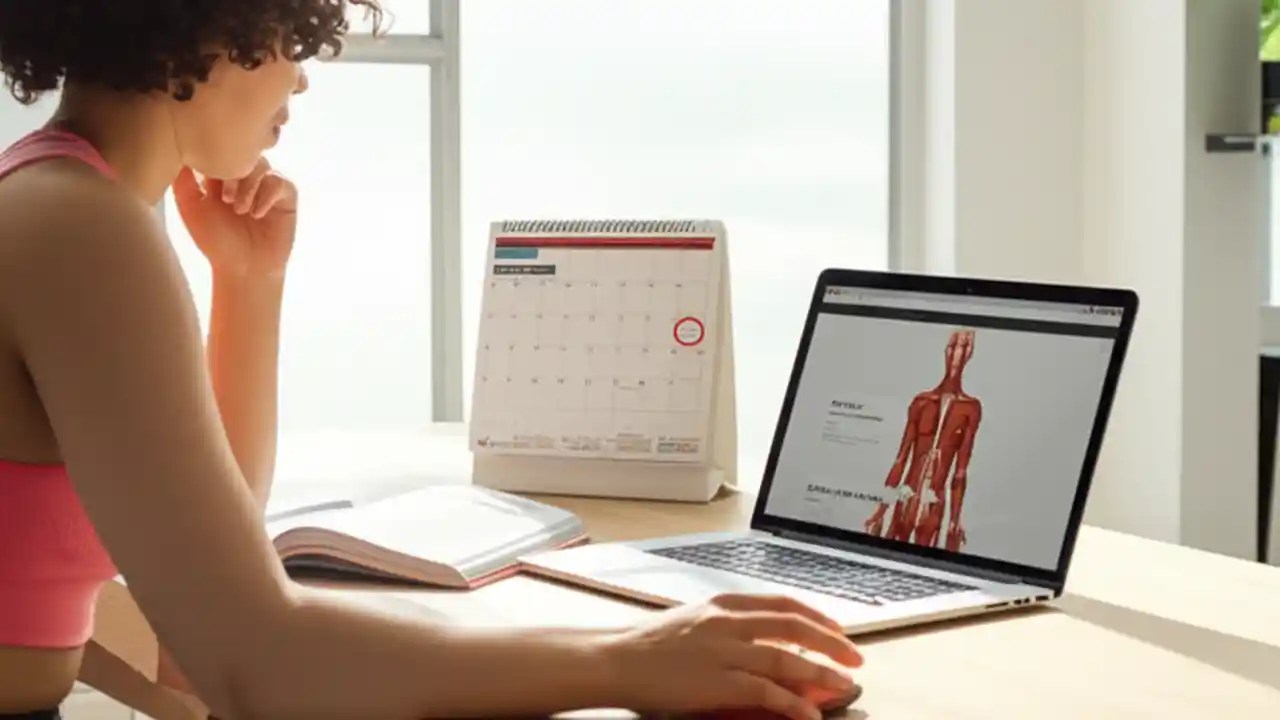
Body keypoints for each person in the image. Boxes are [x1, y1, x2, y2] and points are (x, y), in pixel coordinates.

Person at [0, 3, 863, 719]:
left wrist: (248, 283)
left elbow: (213, 538)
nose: (301, 76)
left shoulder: (61, 198)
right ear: (214, 27)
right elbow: (253, 656)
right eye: (293, 40)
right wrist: (627, 658)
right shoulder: (81, 230)